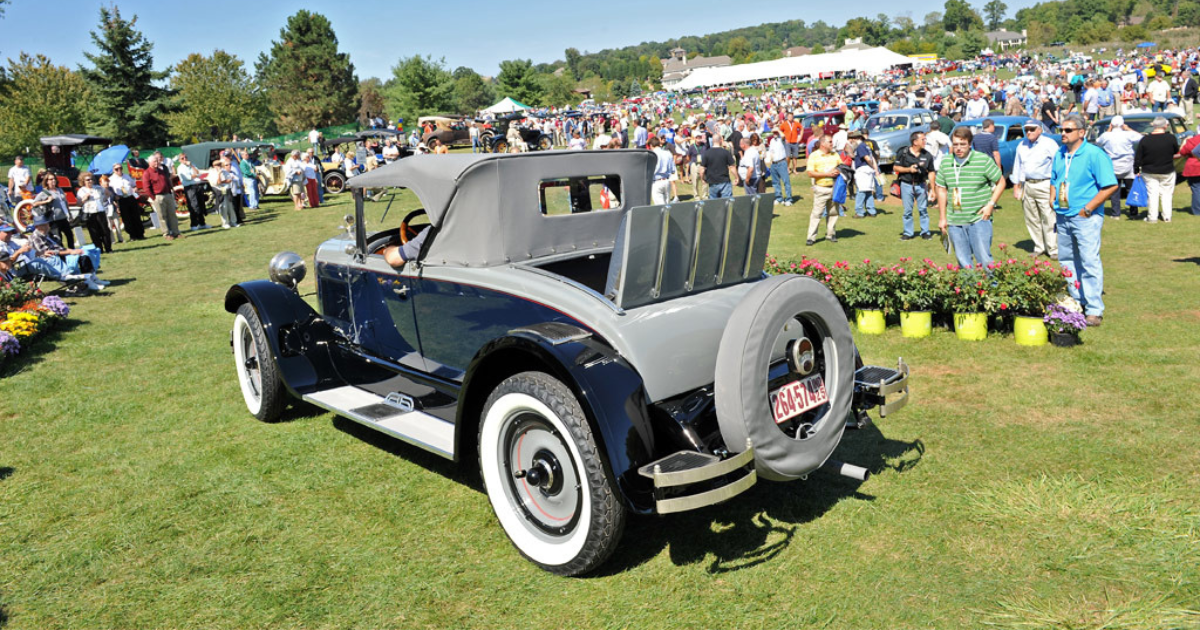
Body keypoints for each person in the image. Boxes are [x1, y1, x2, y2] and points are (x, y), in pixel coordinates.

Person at [1051, 114, 1117, 327]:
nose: (1063, 133)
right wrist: (1052, 199)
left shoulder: (1094, 154)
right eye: (1062, 130)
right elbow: (1054, 179)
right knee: (1067, 260)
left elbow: (1110, 185)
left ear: (1081, 132)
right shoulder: (1060, 153)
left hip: (1085, 217)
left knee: (1089, 261)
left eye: (1068, 130)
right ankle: (1076, 301)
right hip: (1063, 215)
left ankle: (1094, 309)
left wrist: (1088, 209)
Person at [936, 126, 1006, 270]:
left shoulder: (982, 160)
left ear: (970, 144)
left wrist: (991, 205)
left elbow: (1001, 182)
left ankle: (992, 289)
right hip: (955, 220)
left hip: (979, 218)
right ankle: (969, 290)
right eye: (955, 144)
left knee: (985, 260)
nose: (959, 148)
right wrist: (942, 217)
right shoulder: (946, 162)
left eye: (962, 144)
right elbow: (941, 189)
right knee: (963, 262)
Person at [1011, 120, 1059, 257]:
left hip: (1045, 183)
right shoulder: (1022, 144)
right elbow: (1018, 166)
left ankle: (1053, 249)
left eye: (1032, 129)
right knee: (1031, 218)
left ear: (1040, 130)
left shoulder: (1049, 144)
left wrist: (1055, 187)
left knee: (1048, 217)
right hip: (1028, 185)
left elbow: (1057, 164)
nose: (1029, 132)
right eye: (1026, 130)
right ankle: (1039, 247)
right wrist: (1016, 186)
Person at [26, 217, 108, 290]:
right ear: (37, 227)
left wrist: (71, 250)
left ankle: (93, 278)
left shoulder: (47, 234)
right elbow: (48, 252)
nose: (47, 226)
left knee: (85, 252)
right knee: (82, 257)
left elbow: (59, 247)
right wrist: (71, 251)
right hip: (51, 260)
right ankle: (88, 281)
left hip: (60, 255)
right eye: (44, 225)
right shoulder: (36, 237)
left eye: (47, 224)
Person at [1094, 116, 1142, 219]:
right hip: (1128, 165)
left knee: (1115, 190)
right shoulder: (1128, 134)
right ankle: (1133, 212)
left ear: (1111, 125)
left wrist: (1108, 130)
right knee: (1130, 189)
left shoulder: (1106, 135)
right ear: (1122, 124)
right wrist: (1128, 128)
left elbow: (1098, 141)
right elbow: (1140, 137)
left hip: (1113, 165)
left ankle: (1116, 213)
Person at [1134, 116, 1179, 223]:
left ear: (1153, 125)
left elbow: (1138, 157)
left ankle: (1152, 217)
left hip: (1149, 171)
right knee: (1166, 194)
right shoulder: (1171, 138)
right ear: (1165, 126)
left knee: (1152, 194)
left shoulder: (1145, 139)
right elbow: (1176, 151)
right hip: (1167, 170)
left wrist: (1136, 170)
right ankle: (1167, 216)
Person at [893, 131, 935, 240]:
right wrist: (908, 169)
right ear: (915, 141)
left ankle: (925, 232)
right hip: (906, 185)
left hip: (921, 185)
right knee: (907, 211)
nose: (925, 141)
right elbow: (895, 168)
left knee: (923, 210)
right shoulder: (903, 152)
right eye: (923, 139)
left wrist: (932, 189)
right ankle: (908, 233)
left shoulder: (927, 155)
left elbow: (931, 171)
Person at [805, 134, 842, 246]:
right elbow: (810, 173)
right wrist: (827, 174)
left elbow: (842, 166)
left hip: (834, 188)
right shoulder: (814, 156)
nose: (832, 144)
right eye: (830, 142)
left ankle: (831, 234)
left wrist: (838, 171)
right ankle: (811, 237)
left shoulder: (835, 154)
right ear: (823, 143)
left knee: (833, 212)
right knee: (817, 213)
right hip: (821, 188)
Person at [142, 153, 182, 241]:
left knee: (172, 214)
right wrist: (153, 198)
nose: (156, 163)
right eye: (154, 161)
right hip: (158, 196)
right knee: (162, 216)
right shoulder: (147, 173)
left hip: (167, 194)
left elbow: (167, 181)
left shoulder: (161, 170)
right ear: (150, 163)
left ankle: (176, 232)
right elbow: (146, 187)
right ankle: (166, 233)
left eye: (157, 161)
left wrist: (171, 190)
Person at [31, 174, 75, 248]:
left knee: (70, 235)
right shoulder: (44, 193)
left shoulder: (60, 190)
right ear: (47, 181)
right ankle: (62, 253)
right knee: (58, 238)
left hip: (63, 217)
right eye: (51, 179)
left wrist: (69, 213)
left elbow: (65, 202)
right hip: (54, 220)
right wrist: (47, 201)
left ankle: (72, 250)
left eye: (54, 179)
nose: (53, 180)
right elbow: (34, 203)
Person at [75, 172, 113, 254]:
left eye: (91, 179)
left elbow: (108, 193)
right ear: (83, 181)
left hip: (100, 211)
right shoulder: (81, 190)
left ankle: (108, 248)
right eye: (87, 180)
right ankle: (99, 249)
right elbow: (78, 203)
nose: (90, 181)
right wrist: (84, 198)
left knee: (105, 230)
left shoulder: (98, 188)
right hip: (90, 213)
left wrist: (104, 199)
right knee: (94, 232)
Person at [109, 164, 144, 240]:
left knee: (136, 216)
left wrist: (135, 189)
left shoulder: (127, 176)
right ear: (113, 170)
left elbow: (134, 185)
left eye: (120, 168)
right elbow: (111, 192)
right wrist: (115, 202)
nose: (119, 170)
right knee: (126, 218)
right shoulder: (111, 180)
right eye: (116, 169)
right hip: (121, 199)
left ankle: (140, 234)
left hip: (130, 197)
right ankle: (132, 235)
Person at [848, 131, 878, 218]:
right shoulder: (866, 146)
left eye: (852, 139)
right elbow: (872, 158)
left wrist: (873, 167)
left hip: (863, 170)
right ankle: (871, 211)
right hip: (867, 170)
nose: (851, 141)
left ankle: (860, 212)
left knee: (861, 191)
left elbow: (868, 158)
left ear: (856, 138)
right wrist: (875, 169)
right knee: (868, 191)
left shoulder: (861, 146)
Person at [697, 134, 737, 199]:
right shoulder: (725, 152)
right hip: (724, 181)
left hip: (712, 182)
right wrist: (736, 177)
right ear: (720, 141)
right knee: (726, 202)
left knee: (714, 204)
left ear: (712, 141)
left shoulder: (707, 153)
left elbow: (702, 169)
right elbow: (732, 167)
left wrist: (702, 179)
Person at [176, 153, 208, 230]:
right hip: (189, 187)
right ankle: (194, 224)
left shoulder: (191, 164)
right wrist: (195, 175)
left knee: (200, 204)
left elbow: (198, 172)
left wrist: (192, 166)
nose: (185, 159)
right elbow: (188, 177)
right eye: (182, 158)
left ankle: (202, 223)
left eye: (185, 157)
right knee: (194, 205)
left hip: (197, 186)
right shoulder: (180, 168)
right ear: (179, 160)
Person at [765, 130, 792, 205]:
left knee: (786, 181)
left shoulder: (781, 139)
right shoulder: (772, 141)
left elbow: (783, 136)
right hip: (773, 163)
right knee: (775, 182)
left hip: (781, 162)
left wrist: (778, 130)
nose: (775, 134)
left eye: (776, 132)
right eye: (774, 132)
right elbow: (771, 151)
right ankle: (779, 198)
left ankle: (789, 199)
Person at [649, 137, 676, 204]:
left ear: (651, 145)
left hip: (656, 182)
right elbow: (673, 169)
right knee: (666, 206)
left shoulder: (653, 154)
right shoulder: (668, 153)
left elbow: (654, 169)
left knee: (660, 208)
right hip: (667, 181)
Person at [98, 174, 124, 245]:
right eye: (105, 181)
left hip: (113, 208)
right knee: (109, 225)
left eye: (107, 181)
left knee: (117, 224)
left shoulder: (111, 188)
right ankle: (112, 240)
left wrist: (116, 198)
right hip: (105, 209)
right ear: (101, 183)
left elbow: (114, 197)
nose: (107, 183)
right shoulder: (99, 190)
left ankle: (120, 238)